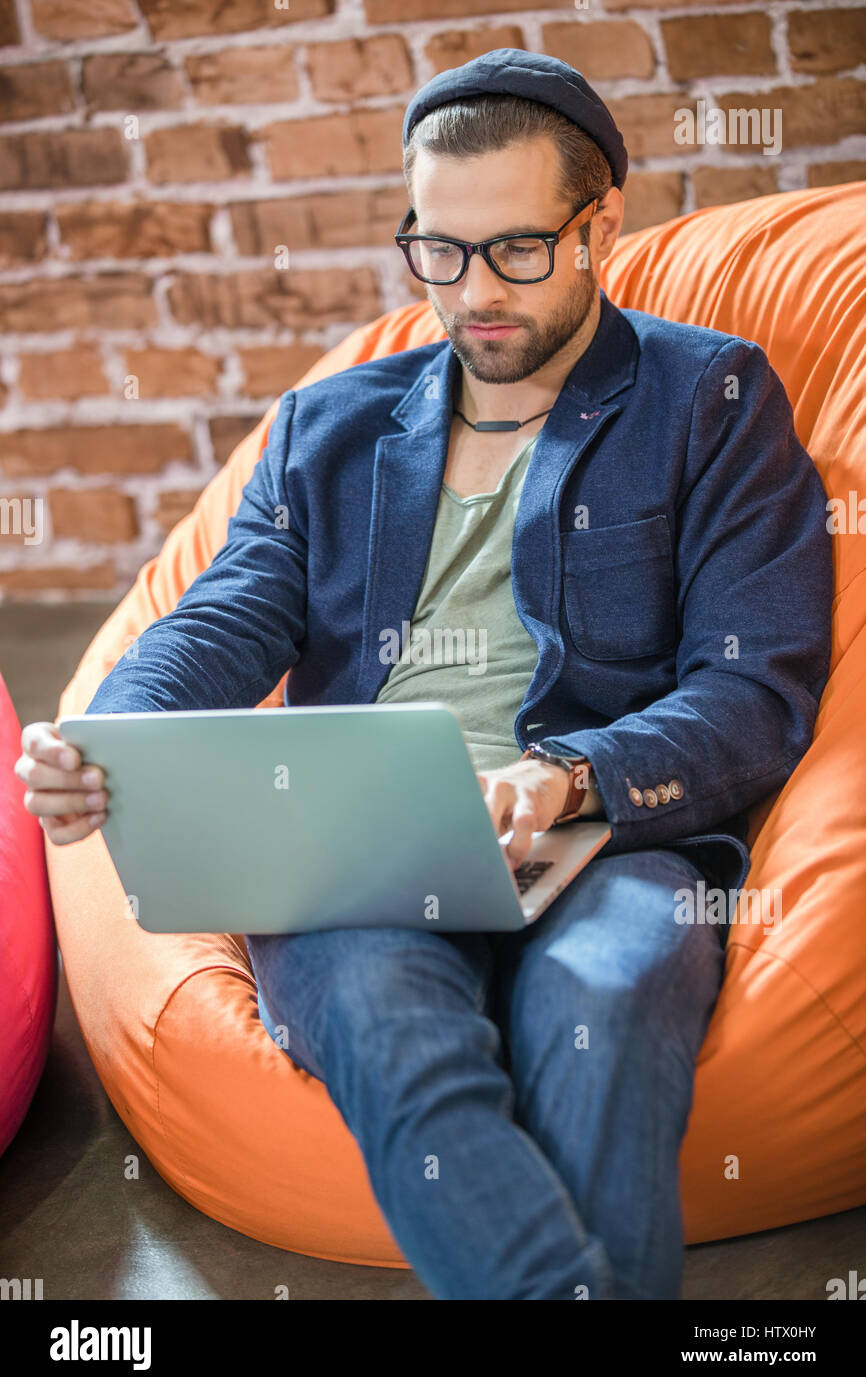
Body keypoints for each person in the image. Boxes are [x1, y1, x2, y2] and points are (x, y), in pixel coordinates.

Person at [16, 49, 832, 1299]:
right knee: (391, 1028)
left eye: (513, 249)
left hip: (605, 835)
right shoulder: (329, 427)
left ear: (597, 223)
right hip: (354, 848)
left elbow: (756, 689)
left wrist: (562, 779)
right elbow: (219, 620)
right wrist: (106, 741)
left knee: (602, 1011)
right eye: (436, 253)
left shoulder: (707, 398)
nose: (471, 294)